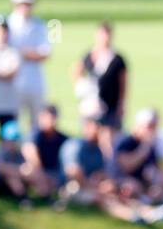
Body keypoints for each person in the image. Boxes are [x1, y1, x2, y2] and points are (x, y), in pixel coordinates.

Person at [71, 21, 127, 157]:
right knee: (89, 136)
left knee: (107, 139)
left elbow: (123, 83)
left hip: (109, 105)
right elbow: (76, 70)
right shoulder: (89, 55)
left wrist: (121, 104)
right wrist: (81, 86)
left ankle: (108, 165)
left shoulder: (117, 59)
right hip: (92, 104)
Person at [6, 0, 52, 131]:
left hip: (35, 81)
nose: (26, 7)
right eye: (22, 4)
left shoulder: (39, 24)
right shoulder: (9, 23)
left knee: (36, 122)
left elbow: (45, 53)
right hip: (13, 82)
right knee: (14, 122)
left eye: (28, 4)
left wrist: (23, 52)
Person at [25, 103, 68, 198]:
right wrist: (42, 176)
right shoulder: (35, 134)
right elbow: (31, 154)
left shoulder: (62, 138)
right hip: (39, 172)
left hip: (55, 173)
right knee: (28, 171)